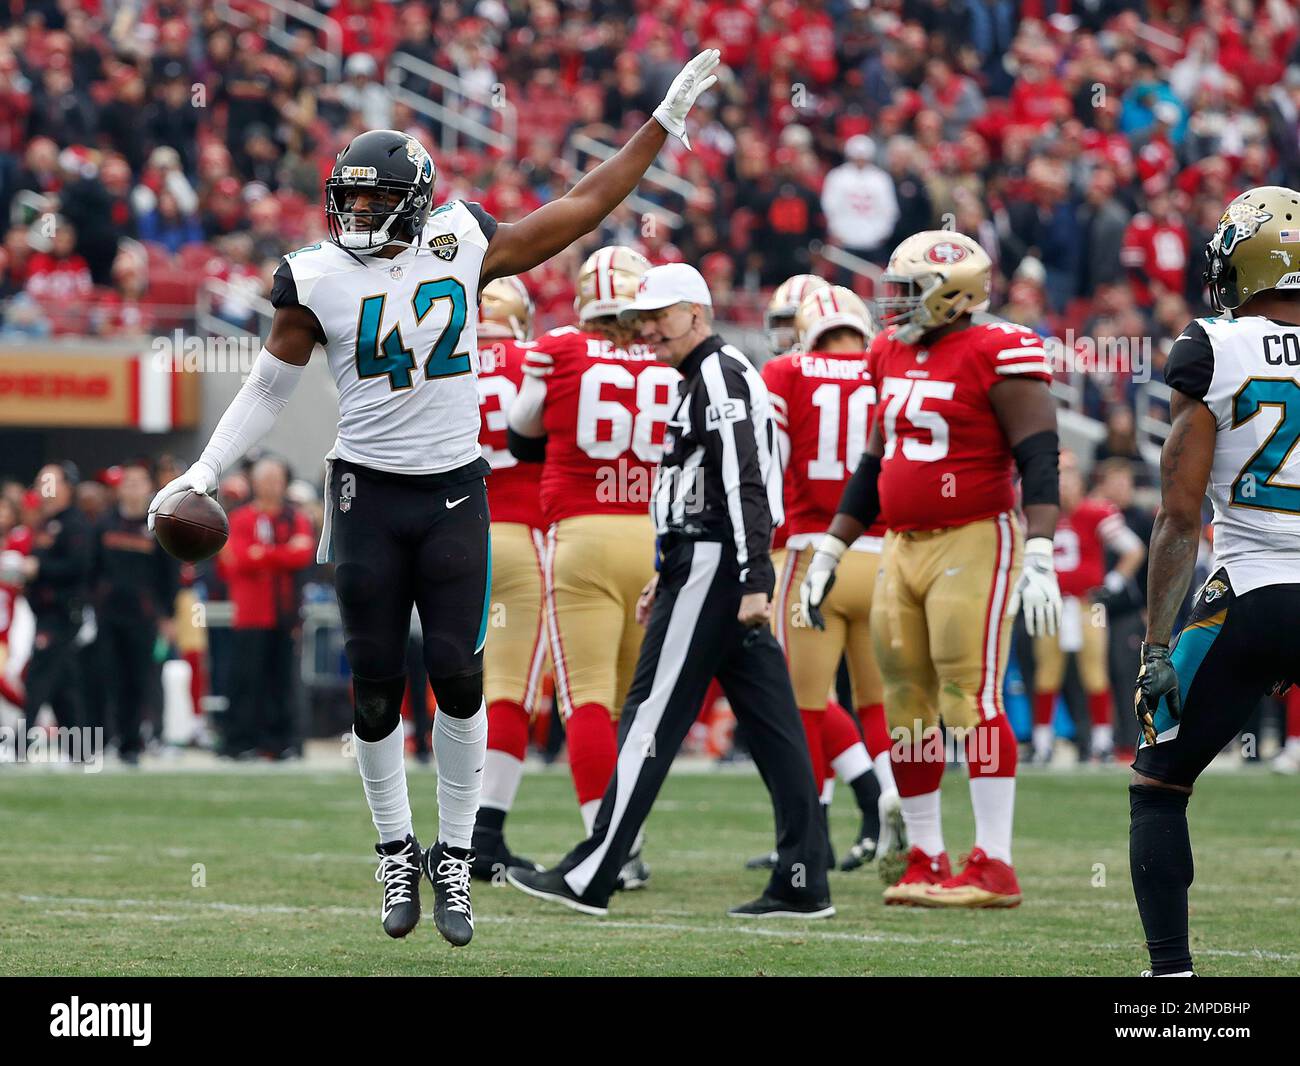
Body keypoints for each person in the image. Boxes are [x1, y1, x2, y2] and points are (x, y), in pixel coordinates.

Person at [148, 50, 721, 949]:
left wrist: (660, 126)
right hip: (363, 493)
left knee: (459, 678)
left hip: (455, 490)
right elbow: (265, 389)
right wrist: (203, 473)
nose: (358, 216)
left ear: (414, 202)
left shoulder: (464, 238)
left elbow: (578, 210)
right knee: (376, 688)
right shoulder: (316, 277)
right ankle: (393, 848)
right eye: (351, 199)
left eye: (377, 202)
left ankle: (453, 853)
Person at [506, 263, 832, 919]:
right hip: (706, 559)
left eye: (661, 315)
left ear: (697, 312)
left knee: (647, 716)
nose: (649, 328)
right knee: (774, 727)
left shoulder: (718, 374)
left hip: (717, 565)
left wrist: (751, 577)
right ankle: (803, 876)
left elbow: (745, 480)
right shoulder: (702, 376)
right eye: (642, 318)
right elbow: (706, 484)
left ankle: (596, 871)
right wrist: (667, 563)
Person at [802, 231, 1062, 908]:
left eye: (910, 289)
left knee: (967, 696)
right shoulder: (888, 349)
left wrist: (1040, 550)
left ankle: (994, 864)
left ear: (953, 295)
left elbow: (1039, 454)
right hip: (900, 542)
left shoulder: (997, 348)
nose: (894, 302)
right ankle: (924, 855)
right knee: (906, 702)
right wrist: (832, 547)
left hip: (974, 536)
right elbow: (874, 461)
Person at [1132, 186, 1300, 977]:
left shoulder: (1214, 347)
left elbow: (1177, 513)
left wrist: (1156, 645)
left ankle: (1173, 981)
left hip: (1256, 591)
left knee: (1158, 782)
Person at [506, 246, 673, 891]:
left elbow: (522, 433)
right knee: (637, 705)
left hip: (583, 531)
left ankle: (610, 851)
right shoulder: (667, 355)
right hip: (659, 539)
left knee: (588, 702)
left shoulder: (560, 348)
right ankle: (629, 839)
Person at [758, 283, 903, 873]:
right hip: (885, 556)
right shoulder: (887, 367)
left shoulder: (785, 371)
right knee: (877, 704)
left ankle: (806, 836)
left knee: (802, 707)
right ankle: (900, 806)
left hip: (812, 554)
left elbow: (765, 462)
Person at [471, 275, 545, 878]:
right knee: (511, 691)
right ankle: (484, 834)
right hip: (522, 534)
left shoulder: (442, 360)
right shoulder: (535, 361)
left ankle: (448, 834)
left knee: (457, 687)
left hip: (453, 535)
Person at [1030, 449, 1145, 765]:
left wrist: (1113, 584)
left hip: (1087, 605)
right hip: (1052, 603)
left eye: (1069, 479)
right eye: (1059, 480)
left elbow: (1133, 550)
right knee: (1046, 674)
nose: (1064, 487)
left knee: (1095, 671)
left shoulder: (1095, 513)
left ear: (1080, 483)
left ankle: (1102, 742)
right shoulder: (1042, 514)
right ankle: (1042, 744)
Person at [217, 456, 313, 761]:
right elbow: (236, 560)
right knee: (245, 679)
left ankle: (281, 741)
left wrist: (264, 555)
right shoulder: (241, 518)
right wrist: (280, 554)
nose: (272, 486)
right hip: (250, 614)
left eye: (277, 480)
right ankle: (239, 741)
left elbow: (304, 555)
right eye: (266, 480)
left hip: (285, 613)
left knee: (282, 681)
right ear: (255, 483)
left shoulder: (295, 517)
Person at [92, 460, 179, 764]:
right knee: (107, 677)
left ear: (149, 487)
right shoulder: (104, 525)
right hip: (108, 616)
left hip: (144, 617)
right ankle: (103, 739)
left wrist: (169, 616)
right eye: (127, 482)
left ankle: (135, 743)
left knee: (141, 679)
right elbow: (92, 570)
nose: (132, 488)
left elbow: (170, 575)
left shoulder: (158, 526)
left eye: (139, 482)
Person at [22, 463, 94, 738]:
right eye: (41, 483)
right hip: (43, 610)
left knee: (38, 676)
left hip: (64, 611)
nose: (45, 490)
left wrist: (38, 570)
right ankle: (79, 748)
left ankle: (20, 743)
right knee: (64, 683)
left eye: (50, 483)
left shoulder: (74, 523)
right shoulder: (44, 524)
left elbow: (79, 566)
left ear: (67, 487)